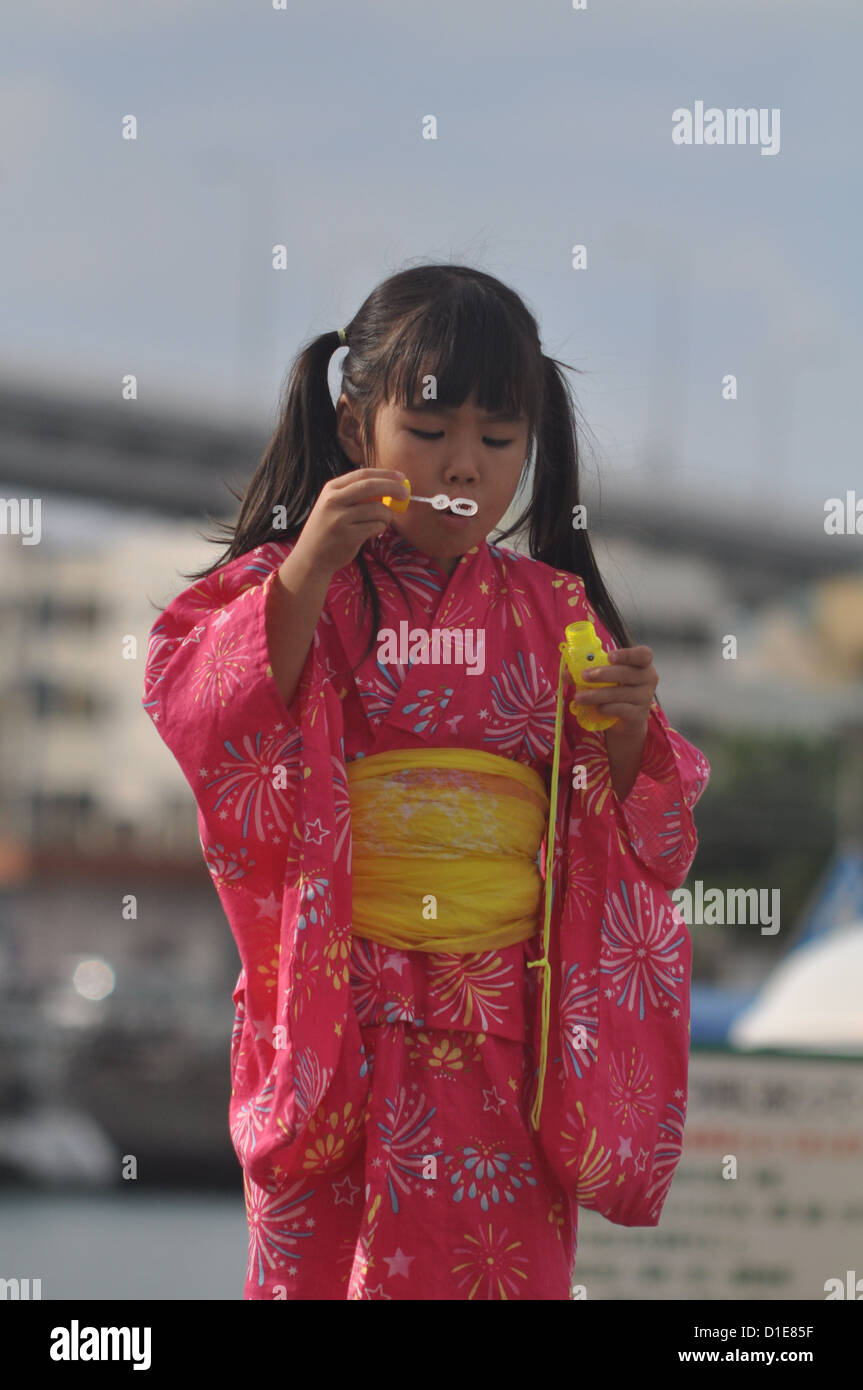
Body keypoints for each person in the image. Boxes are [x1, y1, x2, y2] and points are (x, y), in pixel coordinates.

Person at [142, 263, 710, 1300]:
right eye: (430, 430)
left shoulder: (556, 610)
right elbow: (197, 708)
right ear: (358, 428)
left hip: (504, 1031)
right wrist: (306, 568)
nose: (464, 466)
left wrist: (627, 743)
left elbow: (651, 840)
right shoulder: (291, 578)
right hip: (333, 1016)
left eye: (498, 441)